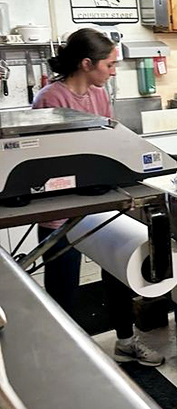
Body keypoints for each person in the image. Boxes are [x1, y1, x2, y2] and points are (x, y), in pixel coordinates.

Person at [31, 28, 164, 367]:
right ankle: (65, 359)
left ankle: (126, 342)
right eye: (110, 64)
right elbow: (43, 161)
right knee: (63, 288)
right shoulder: (50, 99)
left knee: (117, 272)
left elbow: (111, 142)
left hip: (98, 205)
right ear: (87, 64)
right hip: (60, 211)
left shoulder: (99, 95)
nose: (114, 71)